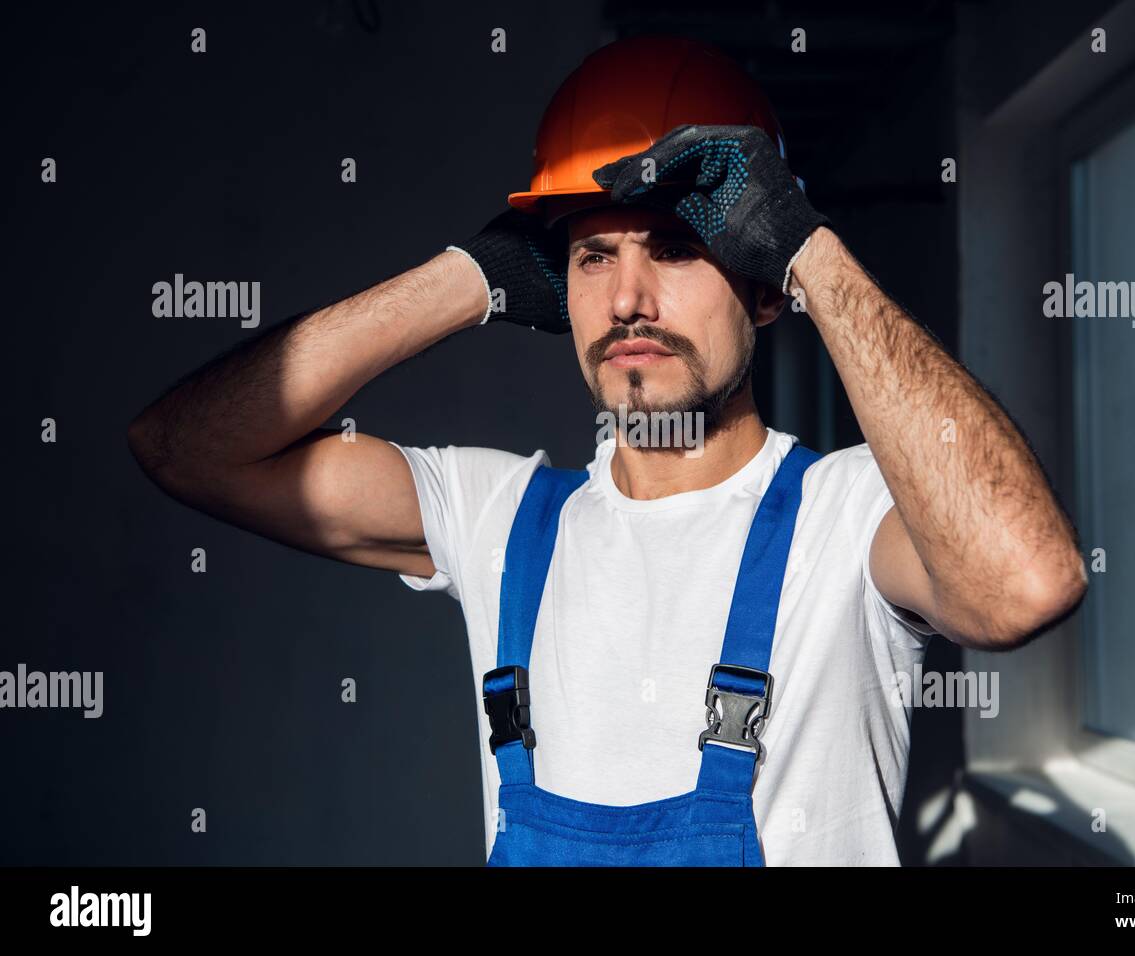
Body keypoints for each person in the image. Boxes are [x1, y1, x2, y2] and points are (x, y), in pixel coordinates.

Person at [127, 36, 1086, 866]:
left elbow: (1027, 583)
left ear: (763, 287)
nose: (628, 298)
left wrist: (811, 251)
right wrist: (469, 279)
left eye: (673, 246)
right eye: (593, 255)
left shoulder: (851, 517)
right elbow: (184, 448)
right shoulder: (495, 518)